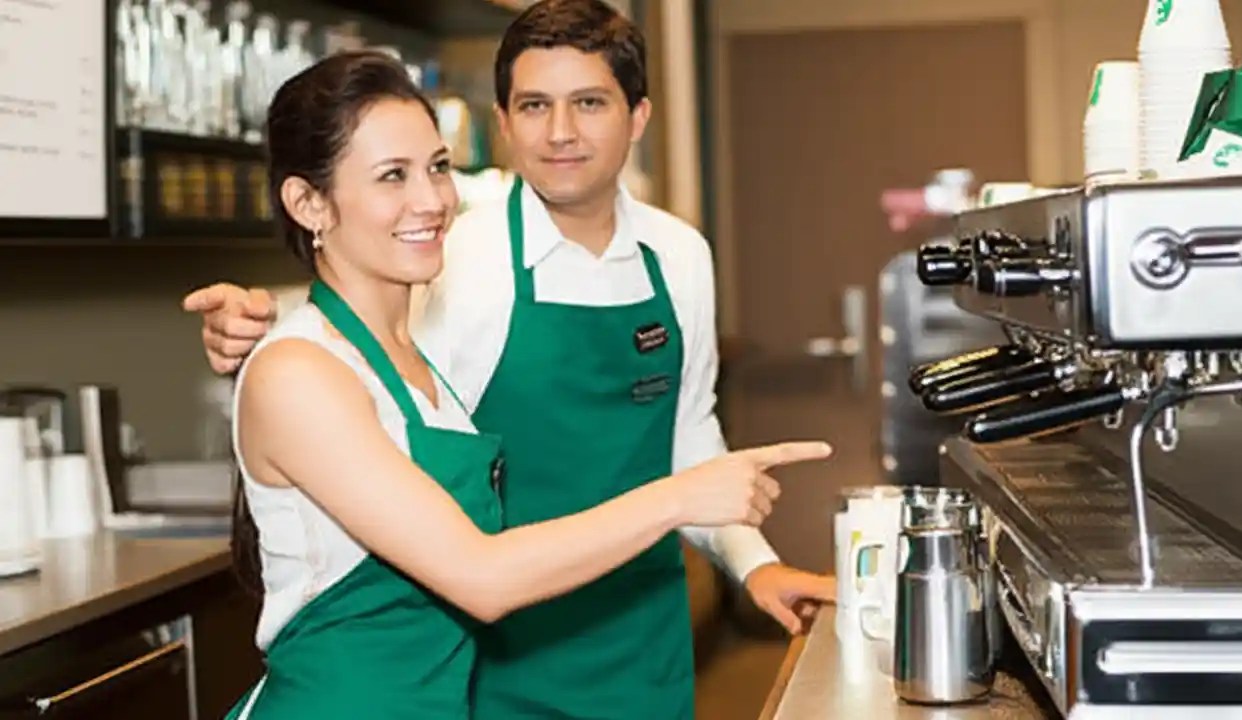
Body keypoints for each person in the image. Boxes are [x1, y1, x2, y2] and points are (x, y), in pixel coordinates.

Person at [186, 2, 837, 718]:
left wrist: (754, 562)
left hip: (626, 647)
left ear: (638, 116)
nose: (429, 200)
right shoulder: (453, 258)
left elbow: (687, 431)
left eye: (435, 169)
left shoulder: (677, 255)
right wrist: (260, 325)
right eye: (534, 106)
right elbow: (331, 346)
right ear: (503, 123)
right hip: (495, 667)